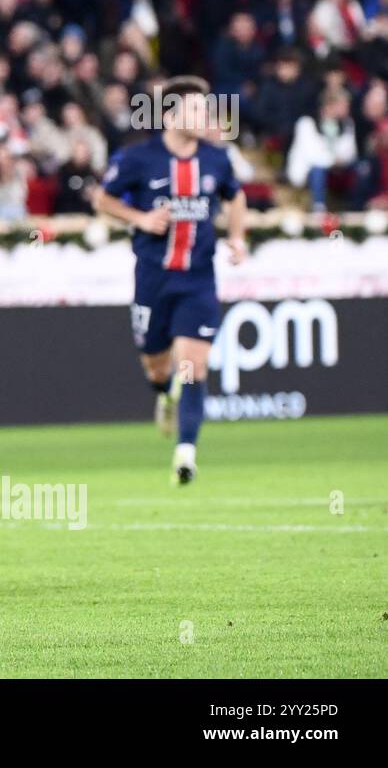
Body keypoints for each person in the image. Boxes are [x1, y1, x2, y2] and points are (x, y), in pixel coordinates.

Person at [94, 76, 248, 484]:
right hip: (153, 281)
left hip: (198, 281)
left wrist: (236, 237)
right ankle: (163, 396)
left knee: (193, 366)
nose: (205, 117)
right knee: (158, 366)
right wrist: (141, 218)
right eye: (197, 109)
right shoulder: (138, 159)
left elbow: (236, 196)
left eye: (206, 109)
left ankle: (186, 452)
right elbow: (102, 199)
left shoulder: (217, 159)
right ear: (171, 114)